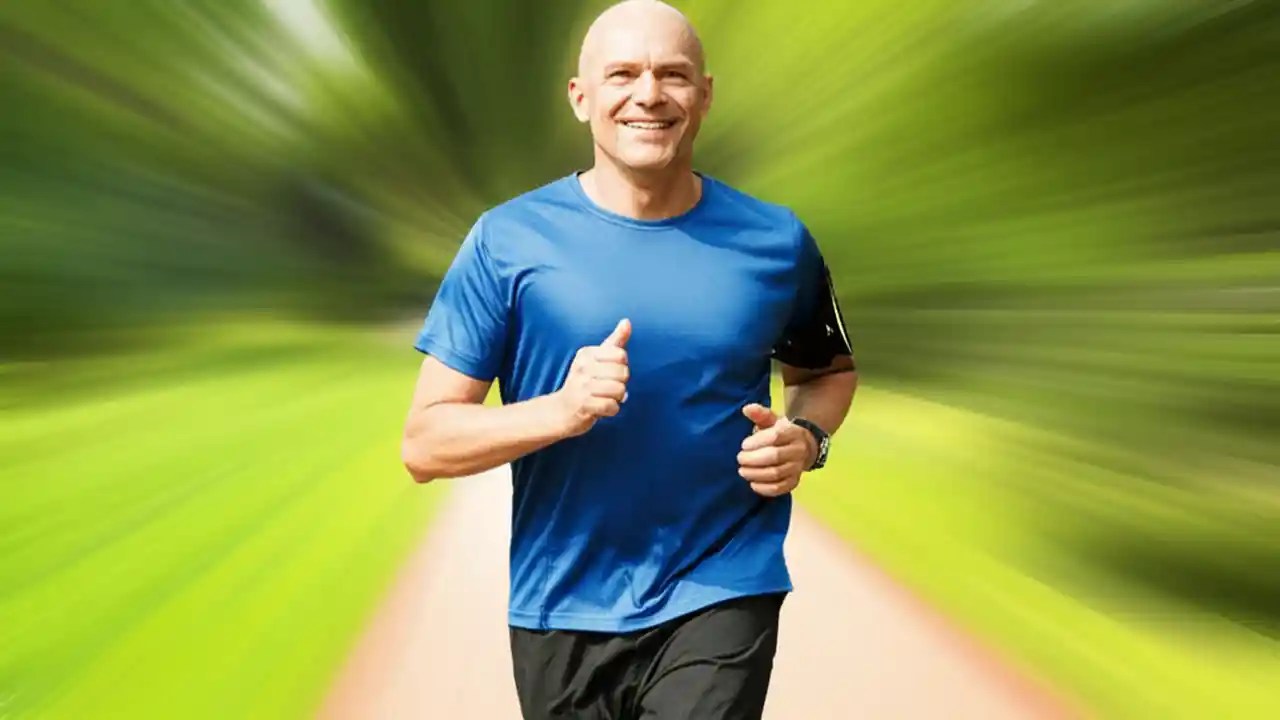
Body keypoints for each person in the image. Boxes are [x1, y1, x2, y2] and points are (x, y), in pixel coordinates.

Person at [401, 1, 857, 717]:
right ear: (581, 98)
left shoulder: (776, 241)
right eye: (623, 74)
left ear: (704, 95)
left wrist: (806, 439)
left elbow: (826, 372)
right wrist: (559, 410)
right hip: (561, 602)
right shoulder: (506, 241)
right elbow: (425, 444)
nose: (649, 94)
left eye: (672, 75)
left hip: (724, 581)